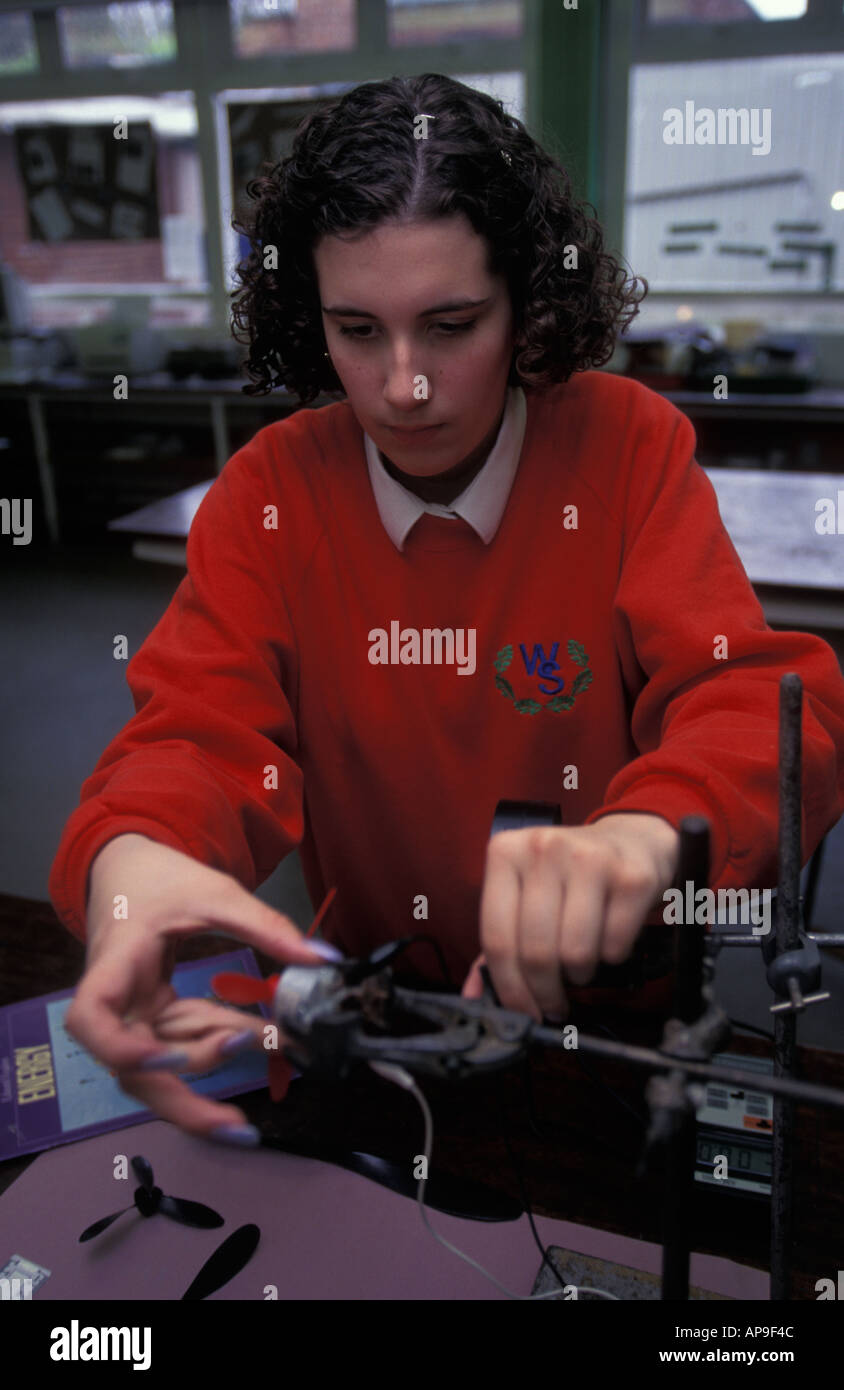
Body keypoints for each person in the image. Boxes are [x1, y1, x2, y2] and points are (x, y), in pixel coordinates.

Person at [49, 73, 844, 1148]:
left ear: (525, 300)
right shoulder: (272, 490)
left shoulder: (625, 444)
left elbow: (753, 699)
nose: (403, 386)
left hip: (600, 1029)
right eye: (357, 330)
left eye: (451, 323)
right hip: (382, 1016)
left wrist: (646, 832)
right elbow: (197, 735)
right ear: (307, 316)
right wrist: (132, 860)